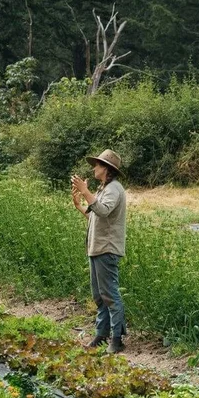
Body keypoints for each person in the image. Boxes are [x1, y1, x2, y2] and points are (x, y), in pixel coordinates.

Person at [71, 149, 127, 353]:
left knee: (110, 294)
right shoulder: (104, 189)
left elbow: (103, 211)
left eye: (97, 164)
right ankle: (102, 335)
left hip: (106, 249)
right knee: (99, 295)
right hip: (96, 249)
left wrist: (85, 191)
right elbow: (96, 217)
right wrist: (79, 205)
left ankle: (117, 339)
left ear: (106, 168)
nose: (94, 168)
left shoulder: (114, 189)